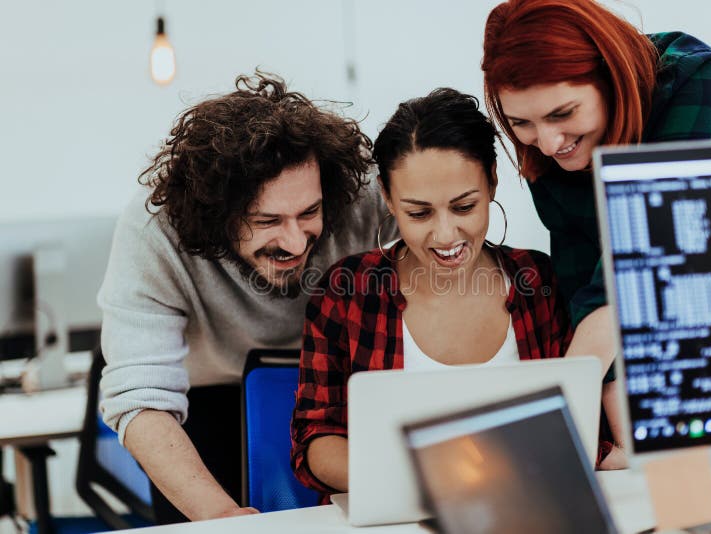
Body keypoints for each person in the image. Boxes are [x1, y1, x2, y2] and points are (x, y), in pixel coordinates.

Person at [97, 72, 395, 523]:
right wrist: (220, 517)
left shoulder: (362, 193)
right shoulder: (153, 230)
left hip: (341, 394)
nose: (295, 243)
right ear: (217, 215)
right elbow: (141, 398)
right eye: (267, 220)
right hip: (211, 404)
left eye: (309, 213)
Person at [481, 0, 711, 466]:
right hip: (646, 354)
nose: (549, 143)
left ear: (608, 73)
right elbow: (584, 292)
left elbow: (638, 262)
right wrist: (616, 445)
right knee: (669, 503)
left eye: (562, 113)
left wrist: (562, 426)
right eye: (521, 124)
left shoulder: (693, 79)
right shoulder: (550, 161)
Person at [290, 88, 578, 496]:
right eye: (419, 213)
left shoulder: (538, 282)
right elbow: (317, 439)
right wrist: (428, 482)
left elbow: (580, 421)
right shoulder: (347, 291)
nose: (445, 235)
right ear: (388, 198)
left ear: (493, 181)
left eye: (464, 207)